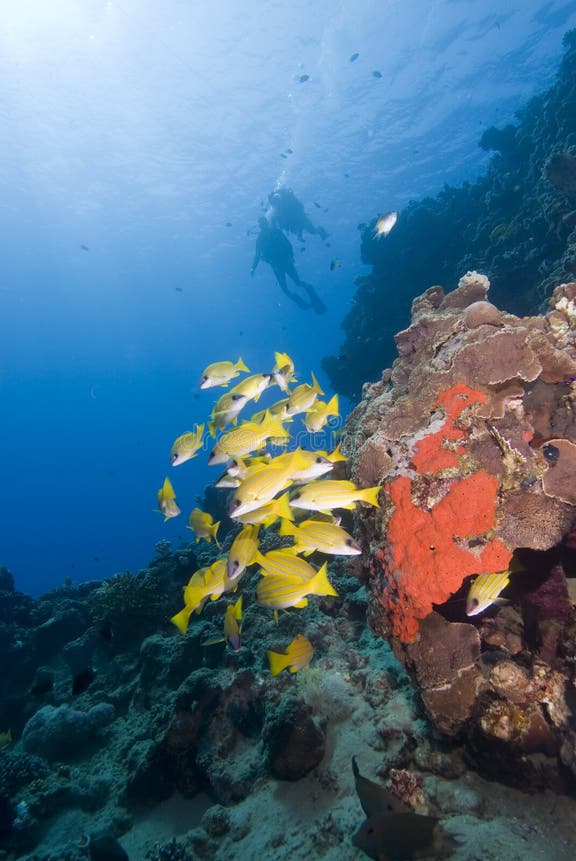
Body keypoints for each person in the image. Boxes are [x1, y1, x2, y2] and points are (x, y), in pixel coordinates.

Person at [251, 217, 325, 313]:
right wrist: (253, 267)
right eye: (262, 224)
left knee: (291, 286)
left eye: (263, 223)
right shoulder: (268, 234)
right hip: (282, 263)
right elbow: (288, 245)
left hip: (280, 264)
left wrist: (253, 268)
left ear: (262, 225)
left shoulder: (265, 236)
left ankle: (306, 300)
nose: (263, 225)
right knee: (293, 285)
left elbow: (258, 255)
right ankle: (306, 299)